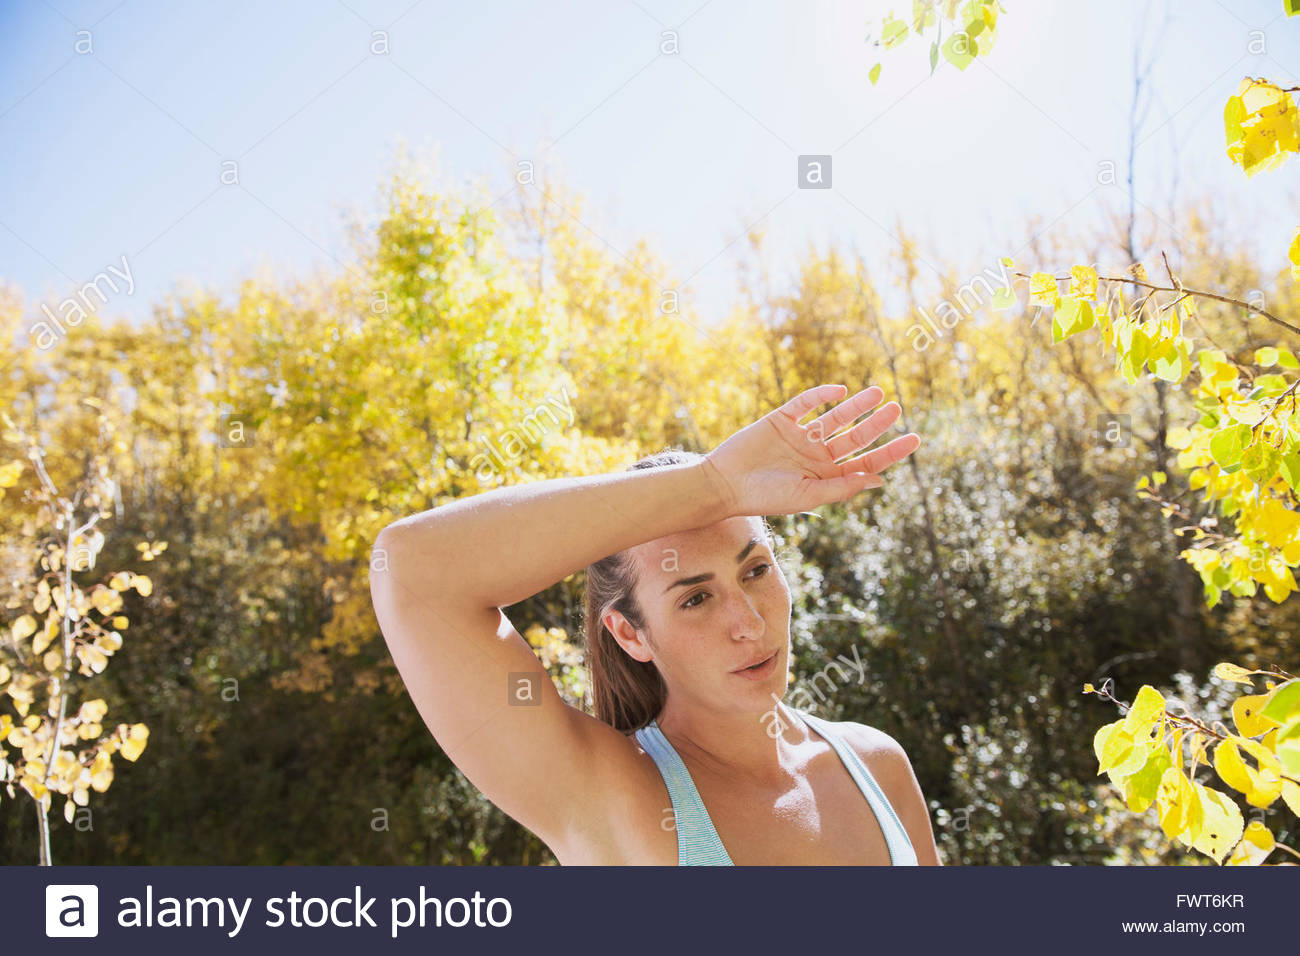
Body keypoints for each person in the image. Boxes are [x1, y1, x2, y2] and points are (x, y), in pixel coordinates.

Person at [370, 383, 941, 865]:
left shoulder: (877, 765)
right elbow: (411, 570)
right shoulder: (617, 798)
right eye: (695, 599)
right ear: (630, 634)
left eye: (756, 570)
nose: (747, 621)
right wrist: (713, 485)